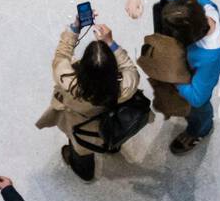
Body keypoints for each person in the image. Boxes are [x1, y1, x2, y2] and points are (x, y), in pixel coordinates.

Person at [125, 0, 220, 154]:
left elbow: (198, 96)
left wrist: (172, 75)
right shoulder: (194, 8)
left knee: (199, 110)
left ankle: (201, 129)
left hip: (195, 80)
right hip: (188, 65)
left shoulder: (210, 57)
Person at [35, 13, 143, 182]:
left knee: (81, 152)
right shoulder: (124, 88)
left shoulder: (67, 82)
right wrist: (110, 43)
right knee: (110, 140)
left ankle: (84, 172)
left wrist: (75, 29)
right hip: (111, 124)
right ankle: (112, 148)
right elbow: (130, 68)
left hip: (82, 129)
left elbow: (62, 56)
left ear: (83, 67)